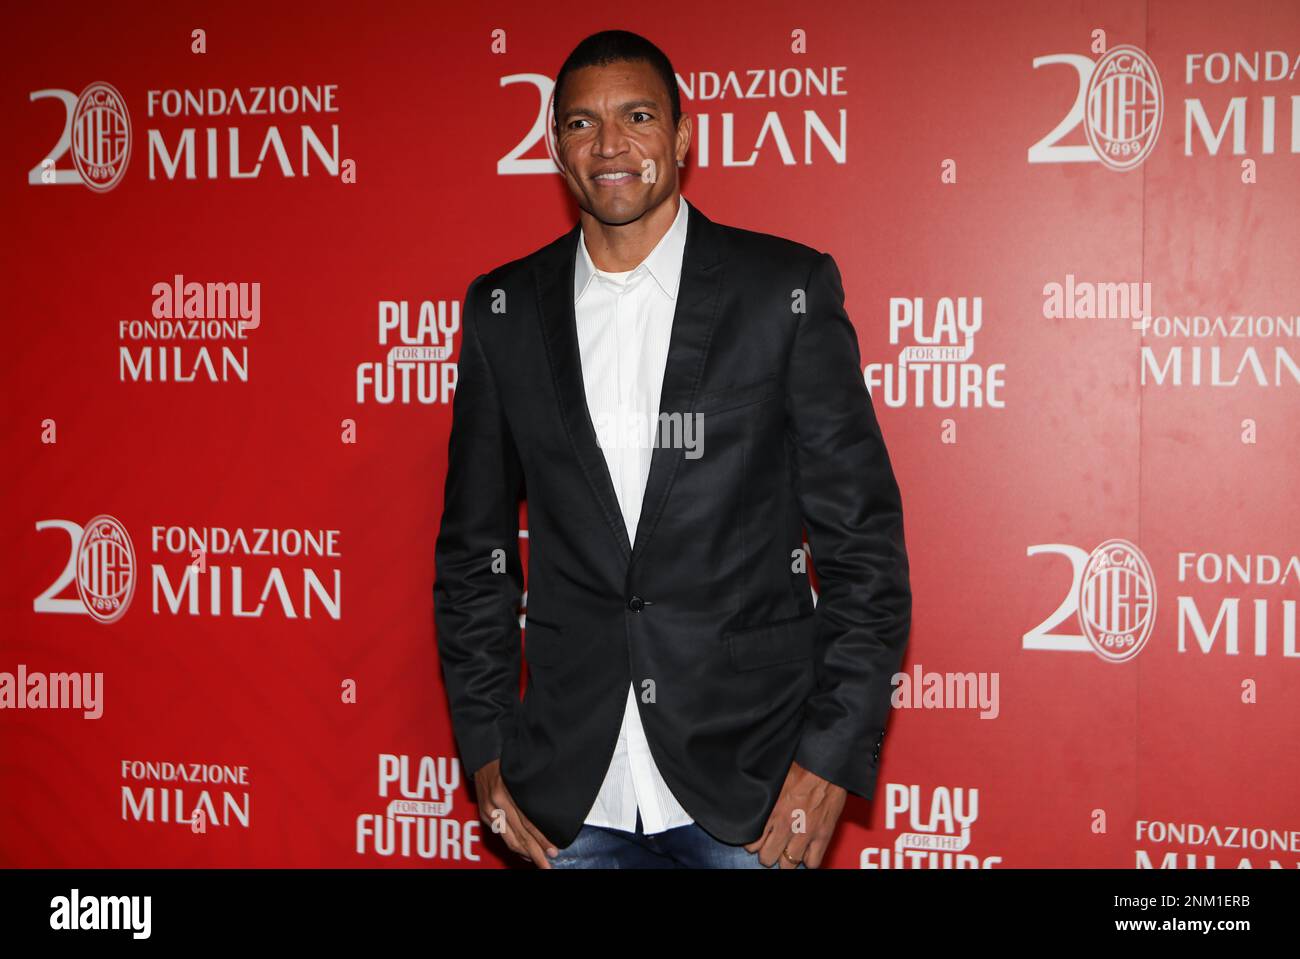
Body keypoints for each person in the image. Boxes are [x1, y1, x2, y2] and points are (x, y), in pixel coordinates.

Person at [433, 29, 911, 869]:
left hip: (751, 788)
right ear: (554, 148)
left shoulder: (782, 291)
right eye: (581, 124)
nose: (610, 144)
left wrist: (831, 755)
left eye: (638, 116)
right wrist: (485, 747)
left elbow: (864, 547)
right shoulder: (502, 310)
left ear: (683, 139)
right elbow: (473, 554)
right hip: (568, 797)